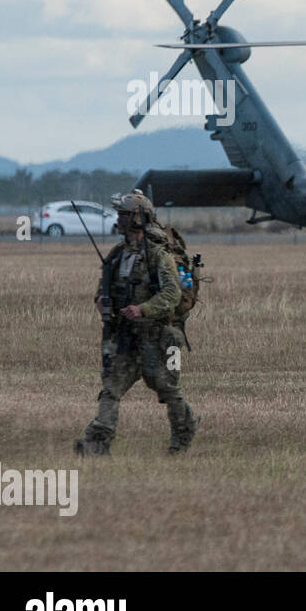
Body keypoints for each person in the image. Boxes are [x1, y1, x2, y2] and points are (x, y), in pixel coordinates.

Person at [75, 190, 198, 455]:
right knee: (111, 388)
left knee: (166, 387)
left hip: (158, 336)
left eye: (124, 215)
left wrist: (143, 309)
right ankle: (97, 443)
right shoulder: (118, 254)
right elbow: (104, 289)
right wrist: (101, 301)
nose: (118, 220)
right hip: (126, 337)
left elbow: (171, 294)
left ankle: (183, 436)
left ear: (139, 219)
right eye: (119, 214)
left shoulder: (159, 256)